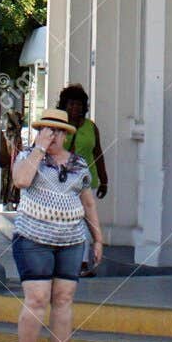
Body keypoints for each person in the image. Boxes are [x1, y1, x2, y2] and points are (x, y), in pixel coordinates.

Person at [10, 108, 104, 342]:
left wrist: (97, 238)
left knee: (63, 299)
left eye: (57, 131)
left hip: (71, 239)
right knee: (37, 298)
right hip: (34, 238)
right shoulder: (29, 157)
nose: (52, 136)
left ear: (65, 134)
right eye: (47, 130)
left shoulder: (78, 164)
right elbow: (21, 181)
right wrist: (39, 149)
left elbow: (88, 202)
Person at [57, 83, 108, 274]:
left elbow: (98, 153)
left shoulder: (90, 127)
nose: (74, 109)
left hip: (88, 181)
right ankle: (78, 261)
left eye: (78, 105)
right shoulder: (59, 127)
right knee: (74, 222)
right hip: (64, 182)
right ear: (64, 106)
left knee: (88, 221)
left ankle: (85, 262)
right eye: (70, 104)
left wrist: (104, 179)